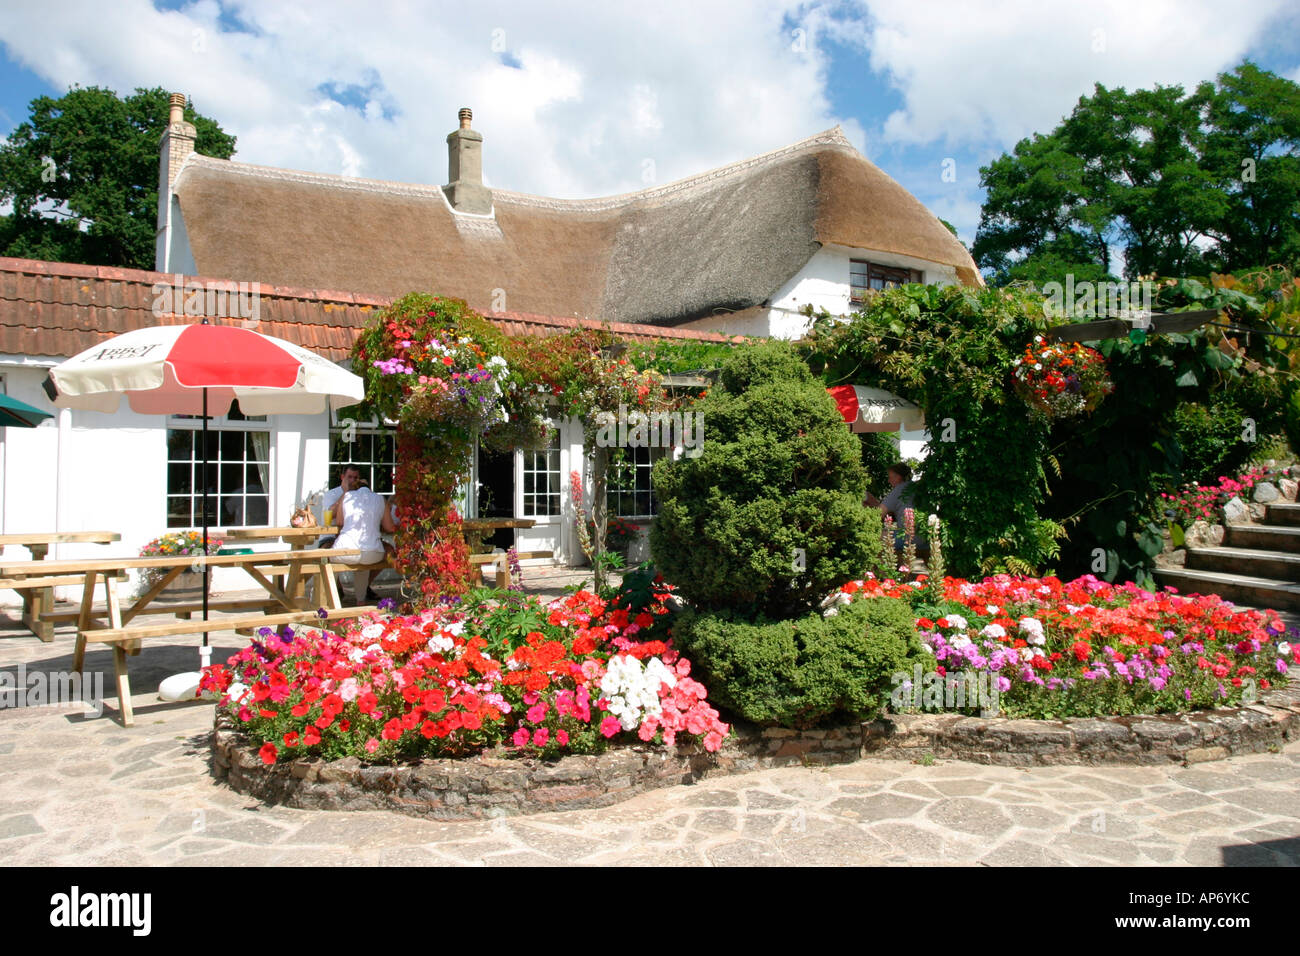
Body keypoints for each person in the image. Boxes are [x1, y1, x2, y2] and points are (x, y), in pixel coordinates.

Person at [333, 473, 396, 605]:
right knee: (364, 560)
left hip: (346, 550)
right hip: (373, 553)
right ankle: (360, 600)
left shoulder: (347, 496)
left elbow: (339, 522)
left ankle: (332, 595)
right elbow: (390, 528)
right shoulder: (380, 498)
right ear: (370, 489)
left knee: (329, 560)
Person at [865, 462, 928, 556]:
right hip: (927, 537)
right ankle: (901, 567)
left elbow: (878, 514)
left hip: (909, 538)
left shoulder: (900, 489)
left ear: (898, 477)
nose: (888, 481)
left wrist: (865, 508)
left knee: (870, 537)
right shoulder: (916, 488)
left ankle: (880, 570)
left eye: (890, 477)